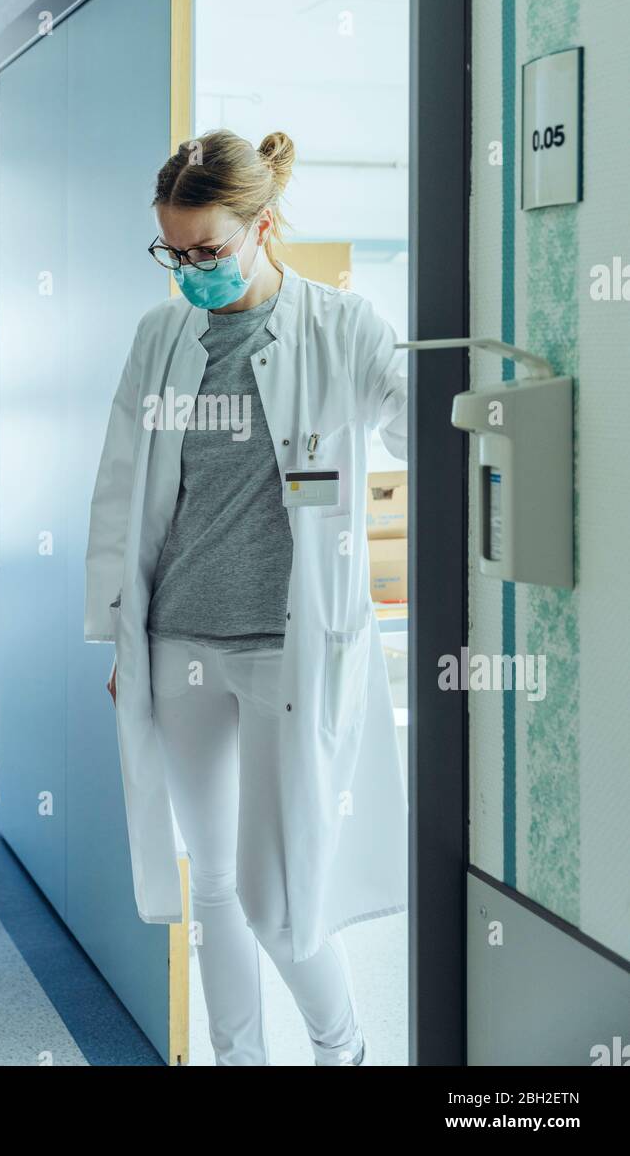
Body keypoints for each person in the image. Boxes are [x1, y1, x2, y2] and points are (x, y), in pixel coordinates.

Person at [85, 129, 408, 1066]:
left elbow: (408, 415)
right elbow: (122, 489)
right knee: (214, 884)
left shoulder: (339, 326)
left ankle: (339, 1049)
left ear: (263, 226)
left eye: (207, 252)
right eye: (173, 254)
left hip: (288, 648)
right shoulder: (162, 335)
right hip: (179, 639)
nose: (188, 272)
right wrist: (122, 642)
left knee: (281, 890)